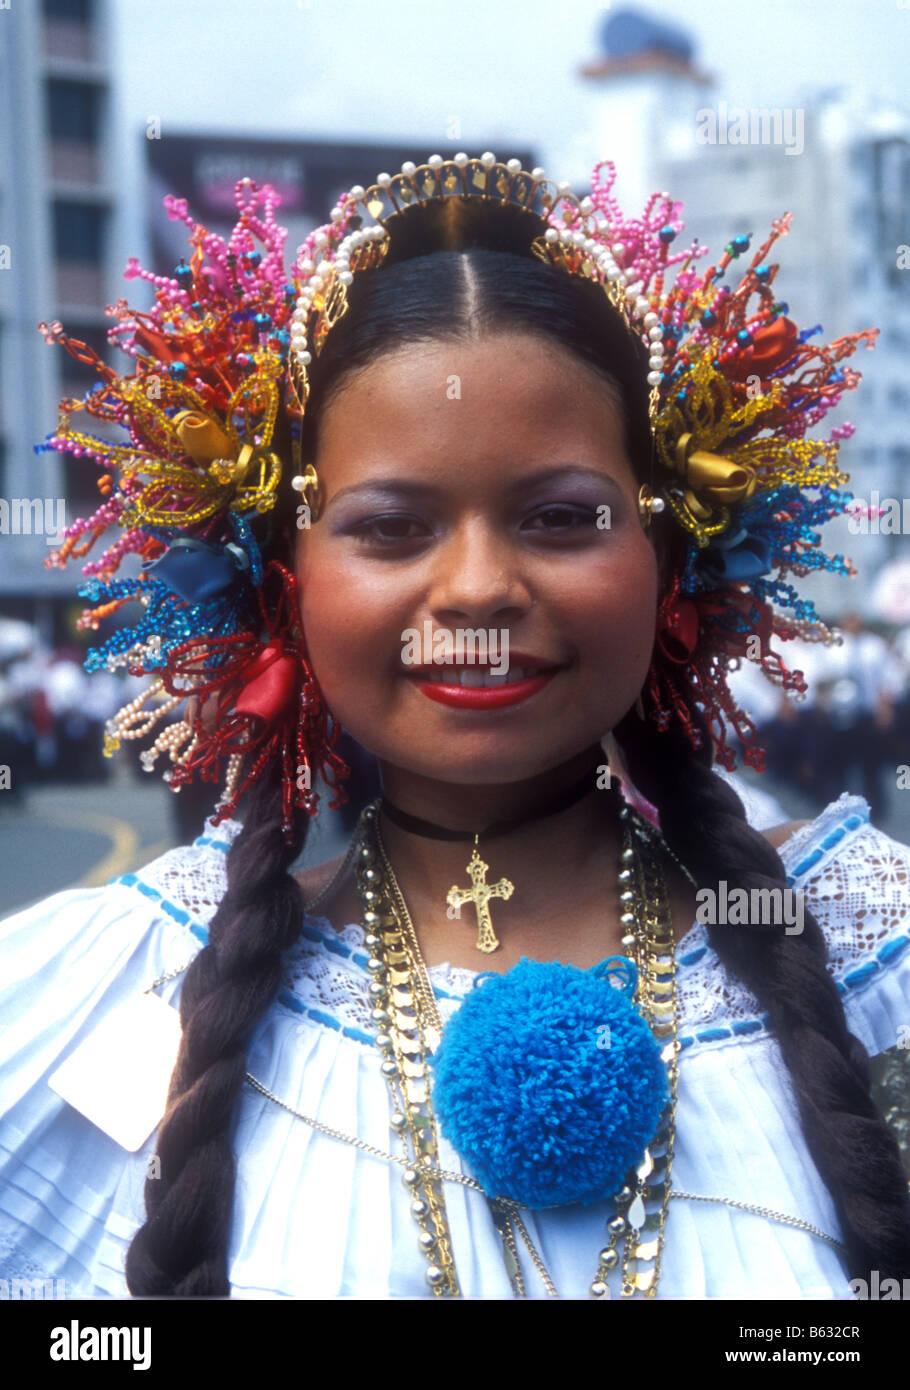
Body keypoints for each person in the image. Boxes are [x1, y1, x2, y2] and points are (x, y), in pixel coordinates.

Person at [2, 155, 909, 1302]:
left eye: (561, 517)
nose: (477, 585)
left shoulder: (873, 948)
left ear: (670, 559)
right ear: (285, 586)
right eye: (391, 528)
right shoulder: (130, 989)